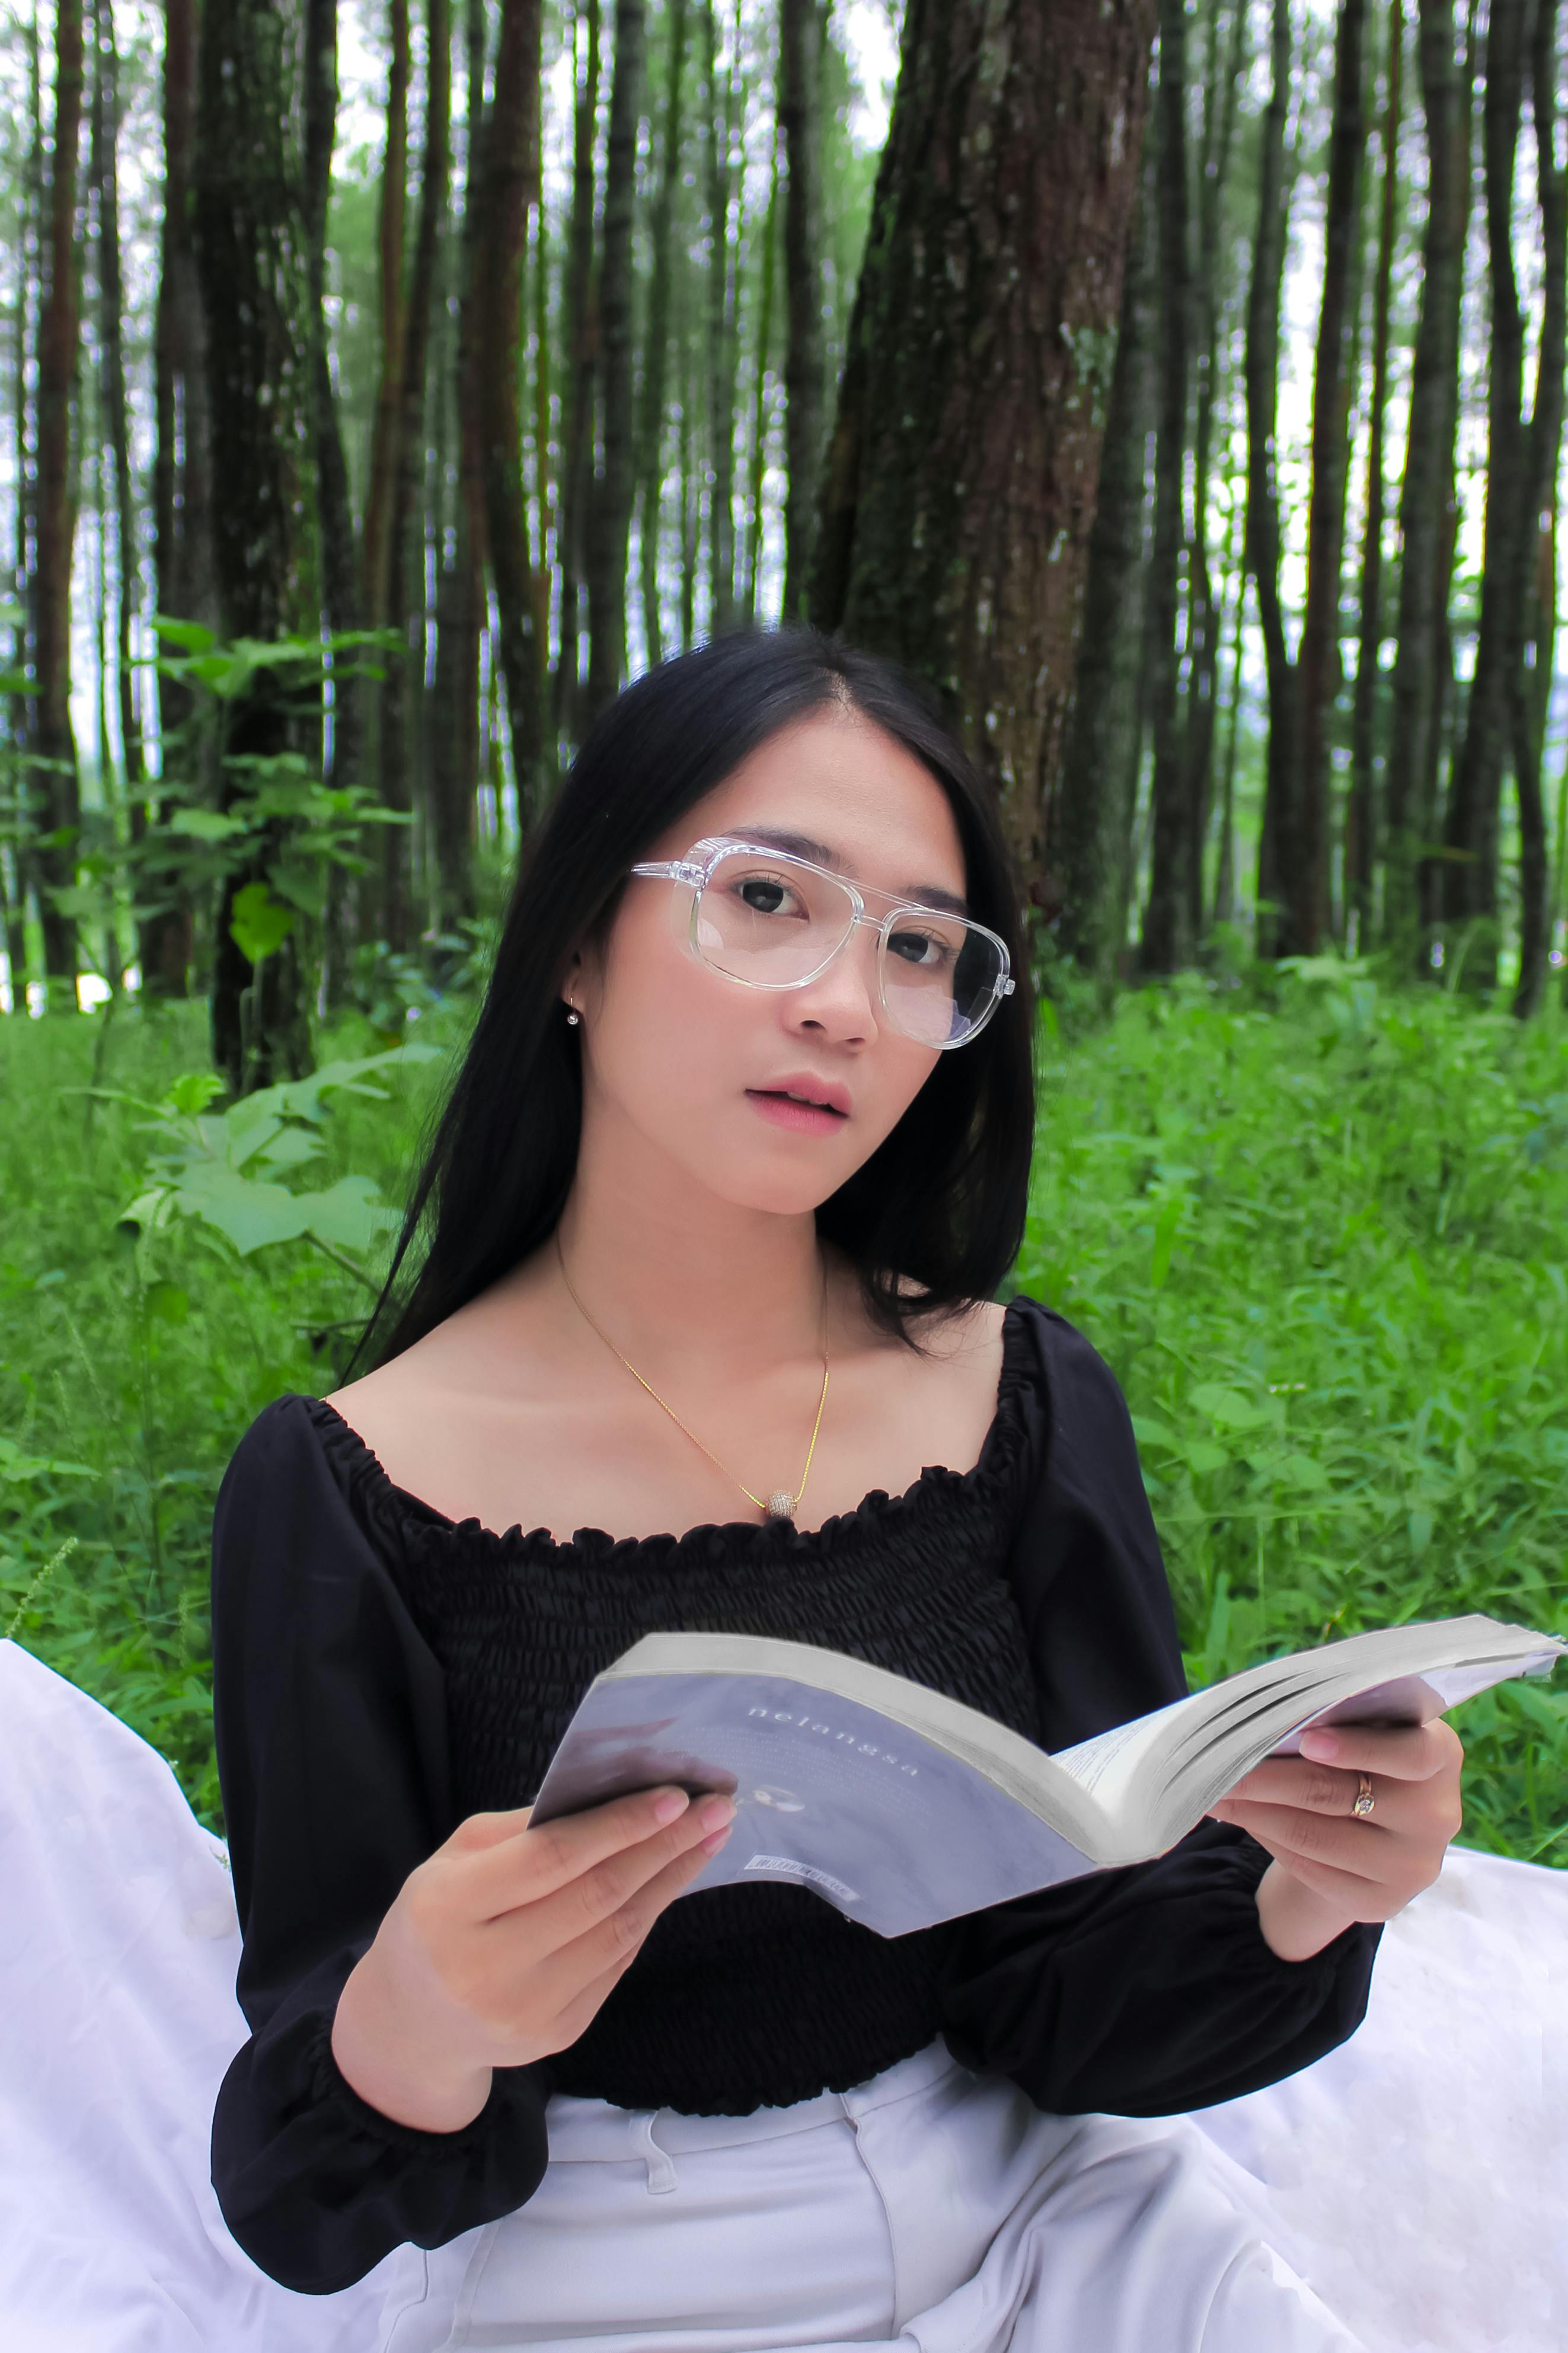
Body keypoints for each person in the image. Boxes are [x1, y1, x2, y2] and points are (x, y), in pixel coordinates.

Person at [208, 629, 1465, 2351]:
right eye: (770, 900)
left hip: (1038, 2215)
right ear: (581, 935)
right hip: (601, 2268)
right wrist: (419, 2012)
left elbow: (1072, 2008)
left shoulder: (1016, 1395)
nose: (844, 1005)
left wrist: (1309, 1892)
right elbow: (305, 2193)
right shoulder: (354, 1487)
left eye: (922, 948)